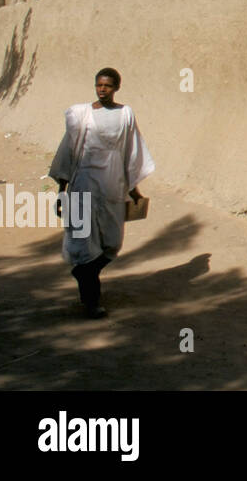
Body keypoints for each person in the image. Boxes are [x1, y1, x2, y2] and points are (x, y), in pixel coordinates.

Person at [48, 67, 154, 318]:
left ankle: (84, 274)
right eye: (98, 85)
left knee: (111, 244)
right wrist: (62, 192)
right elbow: (67, 153)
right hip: (84, 184)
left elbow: (131, 153)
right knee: (84, 245)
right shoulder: (81, 115)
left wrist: (134, 190)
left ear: (117, 87)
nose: (102, 90)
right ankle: (92, 301)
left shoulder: (125, 114)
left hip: (112, 185)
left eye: (107, 86)